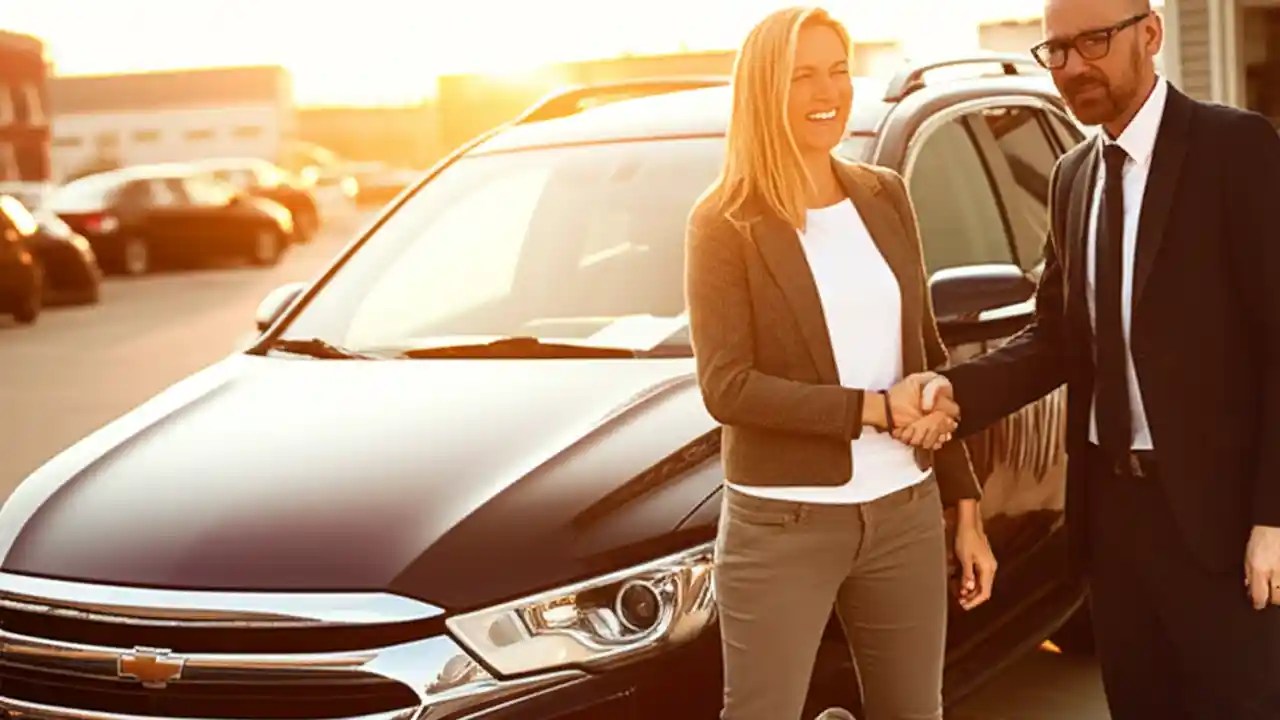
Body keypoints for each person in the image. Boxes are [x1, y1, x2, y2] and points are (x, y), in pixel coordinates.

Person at [904, 0, 1280, 717]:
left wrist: (1274, 517)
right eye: (1057, 51)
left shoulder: (1236, 149)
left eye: (1094, 42)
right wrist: (954, 393)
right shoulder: (1073, 177)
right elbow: (1056, 338)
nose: (1074, 66)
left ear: (1151, 33)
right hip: (1114, 525)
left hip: (1224, 525)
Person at [684, 6, 998, 719]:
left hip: (904, 512)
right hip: (784, 524)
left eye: (837, 70)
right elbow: (727, 387)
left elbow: (926, 356)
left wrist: (965, 507)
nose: (828, 91)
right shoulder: (724, 220)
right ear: (764, 88)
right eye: (802, 75)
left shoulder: (884, 194)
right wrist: (874, 410)